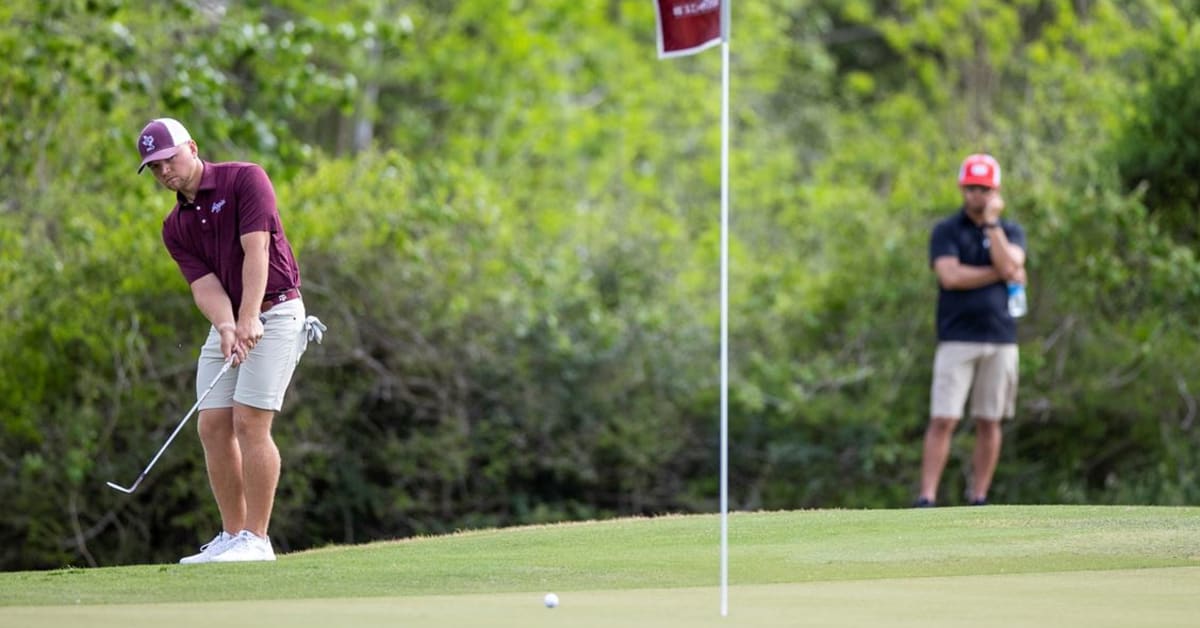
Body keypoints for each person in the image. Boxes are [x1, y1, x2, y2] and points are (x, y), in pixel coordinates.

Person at [137, 117, 321, 562]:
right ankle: (232, 535)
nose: (164, 172)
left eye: (168, 160)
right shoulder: (174, 226)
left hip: (275, 311)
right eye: (154, 168)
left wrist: (249, 318)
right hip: (232, 319)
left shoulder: (245, 179)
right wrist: (226, 326)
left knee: (249, 422)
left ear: (192, 148)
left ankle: (257, 540)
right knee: (212, 424)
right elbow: (205, 286)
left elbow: (256, 251)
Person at [916, 153, 1027, 507]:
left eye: (984, 189)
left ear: (995, 191)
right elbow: (950, 276)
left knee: (989, 419)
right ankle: (926, 498)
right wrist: (999, 273)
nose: (977, 195)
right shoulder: (946, 230)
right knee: (943, 417)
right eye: (971, 188)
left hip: (1000, 339)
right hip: (957, 338)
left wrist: (992, 227)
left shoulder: (1010, 231)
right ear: (962, 189)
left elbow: (1013, 262)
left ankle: (979, 496)